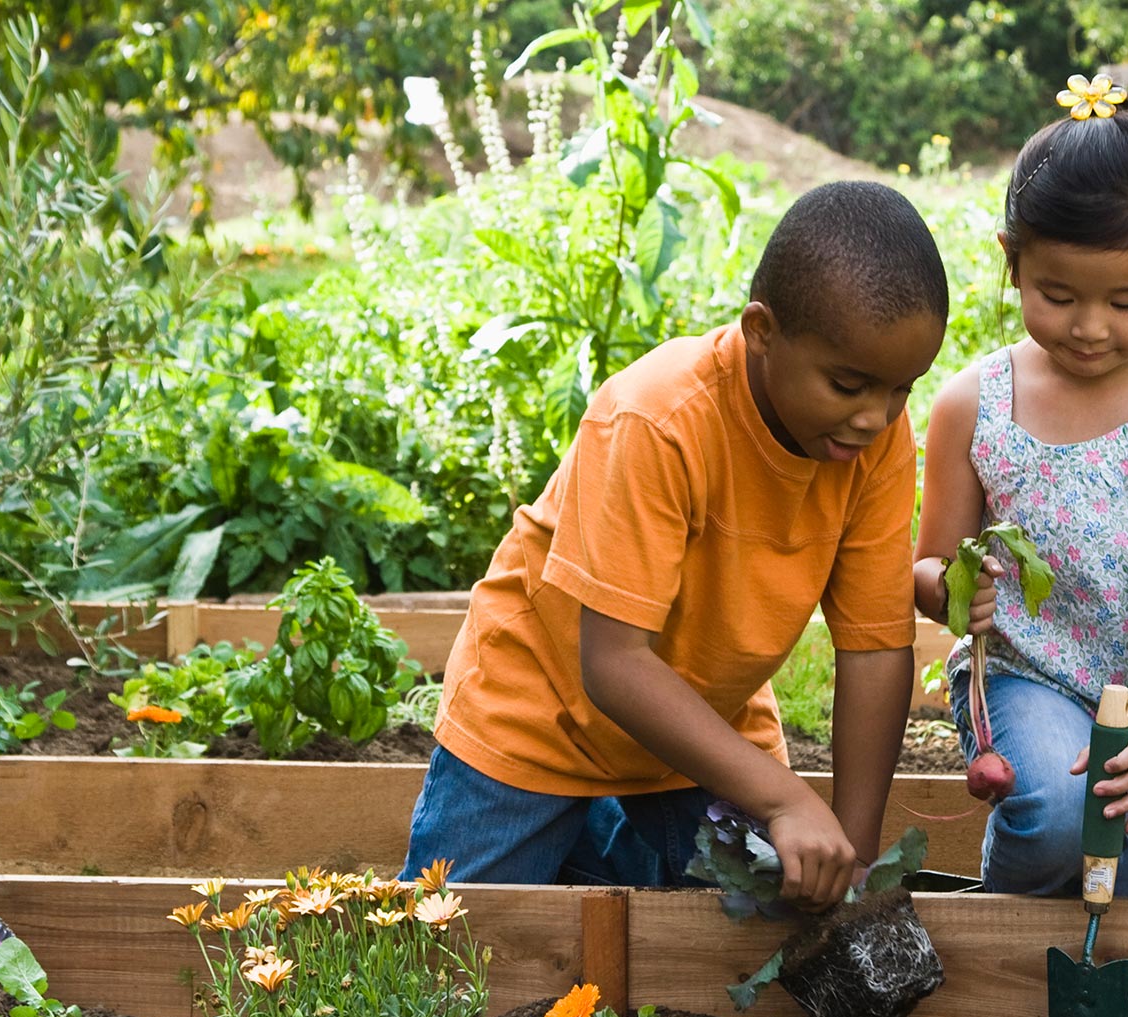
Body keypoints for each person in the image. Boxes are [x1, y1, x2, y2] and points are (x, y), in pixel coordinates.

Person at [402, 181, 948, 910]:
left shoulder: (871, 441)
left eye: (901, 391)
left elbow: (876, 648)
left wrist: (849, 853)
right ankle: (585, 823)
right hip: (542, 709)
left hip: (703, 723)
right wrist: (785, 800)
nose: (875, 416)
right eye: (848, 384)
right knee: (450, 939)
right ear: (762, 331)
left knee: (759, 921)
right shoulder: (659, 420)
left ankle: (597, 835)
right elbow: (614, 664)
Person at [912, 75, 1128, 897]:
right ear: (1011, 261)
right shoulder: (972, 403)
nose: (1089, 326)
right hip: (1031, 674)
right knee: (1058, 815)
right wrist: (955, 593)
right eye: (1057, 295)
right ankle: (999, 953)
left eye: (1126, 300)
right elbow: (927, 566)